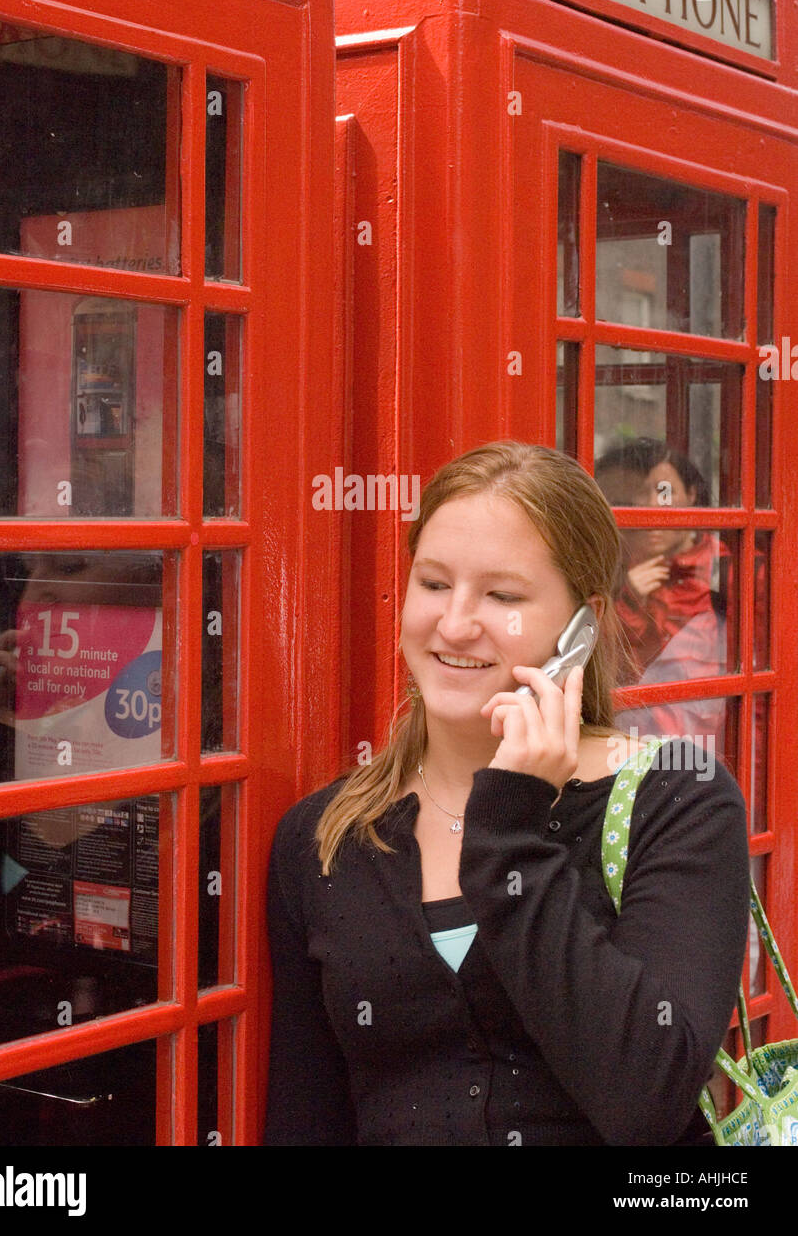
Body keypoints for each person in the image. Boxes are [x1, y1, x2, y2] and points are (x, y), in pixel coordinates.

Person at [263, 440, 750, 1146]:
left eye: (502, 595)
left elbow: (645, 1099)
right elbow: (306, 1115)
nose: (455, 624)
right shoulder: (326, 836)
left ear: (580, 626)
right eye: (433, 583)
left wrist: (510, 824)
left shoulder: (676, 802)